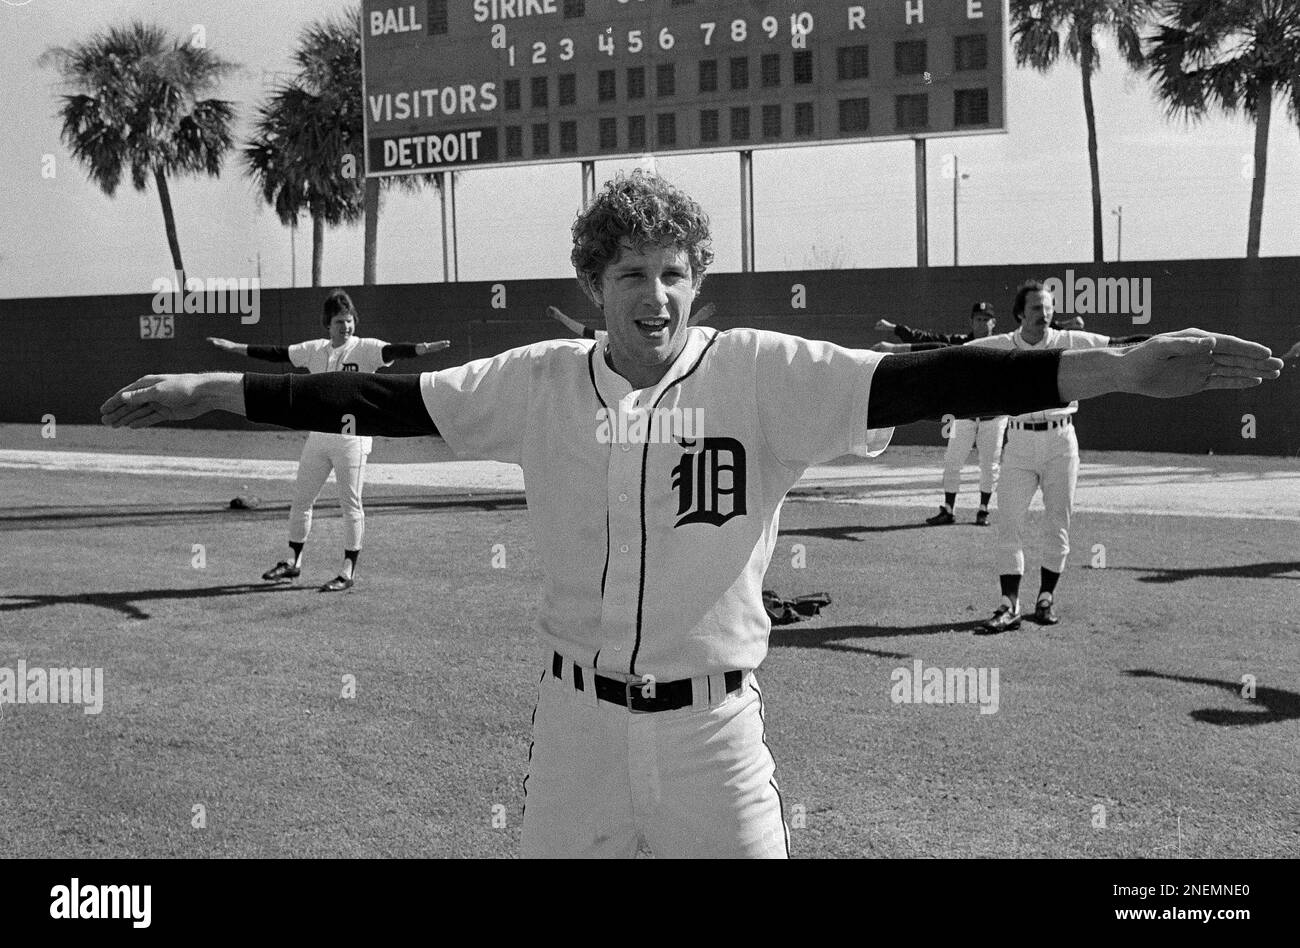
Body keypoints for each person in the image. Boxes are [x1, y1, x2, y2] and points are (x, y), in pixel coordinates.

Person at [101, 171, 1282, 857]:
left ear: (698, 278)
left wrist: (1115, 368)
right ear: (592, 287)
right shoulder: (540, 382)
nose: (653, 294)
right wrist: (217, 387)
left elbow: (934, 382)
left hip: (714, 732)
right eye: (629, 274)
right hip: (572, 731)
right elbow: (375, 396)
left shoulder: (763, 370)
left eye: (673, 270)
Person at [207, 289, 449, 592]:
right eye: (339, 321)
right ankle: (293, 562)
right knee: (301, 500)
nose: (346, 327)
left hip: (353, 440)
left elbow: (392, 351)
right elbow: (277, 353)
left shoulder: (365, 348)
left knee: (350, 504)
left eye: (349, 321)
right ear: (328, 323)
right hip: (319, 437)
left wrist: (421, 349)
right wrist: (234, 347)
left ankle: (347, 570)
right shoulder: (315, 349)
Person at [964, 282, 1149, 631]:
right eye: (1036, 308)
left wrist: (1172, 342)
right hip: (1018, 441)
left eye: (1048, 308)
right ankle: (1009, 604)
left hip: (1061, 440)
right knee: (1009, 523)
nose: (1045, 314)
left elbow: (1118, 344)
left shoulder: (1068, 341)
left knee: (1058, 524)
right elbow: (957, 352)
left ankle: (1045, 599)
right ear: (1020, 313)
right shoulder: (1003, 345)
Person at [877, 304, 1005, 525]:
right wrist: (896, 334)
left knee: (989, 465)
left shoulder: (1004, 344)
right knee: (952, 462)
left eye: (986, 319)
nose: (982, 323)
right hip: (964, 414)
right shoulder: (961, 343)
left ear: (994, 322)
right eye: (978, 319)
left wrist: (1065, 325)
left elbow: (1039, 332)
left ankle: (983, 510)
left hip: (993, 418)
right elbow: (928, 340)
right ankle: (948, 509)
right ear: (971, 322)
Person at [547, 301, 715, 339]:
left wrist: (699, 316)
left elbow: (676, 331)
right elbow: (582, 330)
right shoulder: (609, 338)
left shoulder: (648, 334)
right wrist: (560, 316)